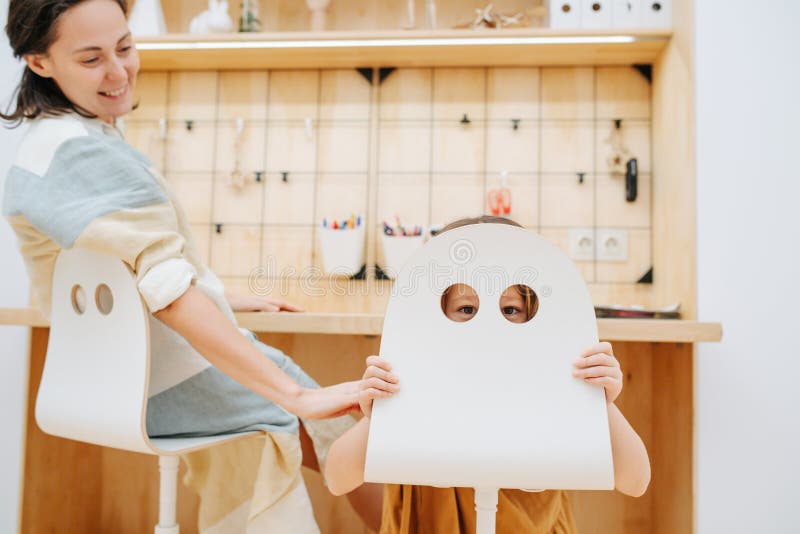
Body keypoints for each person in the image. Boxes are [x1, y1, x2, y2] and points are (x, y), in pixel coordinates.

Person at [1, 0, 381, 530]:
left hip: (112, 376)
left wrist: (221, 296)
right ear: (39, 61)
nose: (118, 72)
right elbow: (166, 289)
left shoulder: (55, 141)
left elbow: (133, 270)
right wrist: (298, 396)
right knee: (328, 420)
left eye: (125, 47)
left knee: (327, 420)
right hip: (152, 385)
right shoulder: (80, 152)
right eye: (91, 59)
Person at [324, 216, 651, 533]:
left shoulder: (548, 380)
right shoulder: (415, 375)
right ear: (435, 310)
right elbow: (338, 477)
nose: (488, 326)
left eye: (510, 310)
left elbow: (635, 480)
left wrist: (601, 403)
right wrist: (378, 415)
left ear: (532, 313)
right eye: (467, 309)